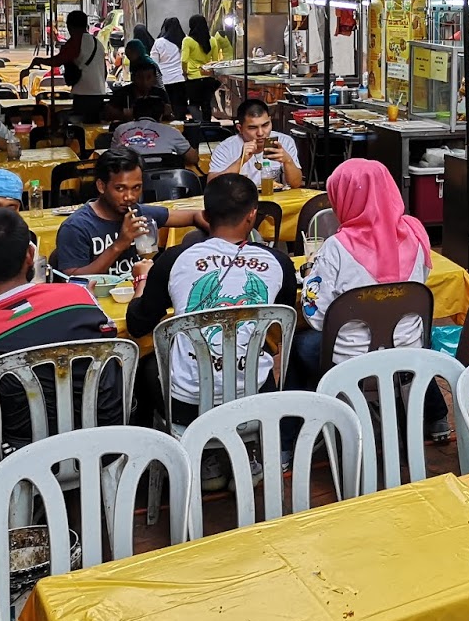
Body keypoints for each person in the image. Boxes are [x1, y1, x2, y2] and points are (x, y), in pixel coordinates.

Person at [125, 175, 295, 464]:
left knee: (149, 364)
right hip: (255, 399)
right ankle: (249, 458)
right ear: (252, 215)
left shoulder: (173, 260)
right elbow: (282, 319)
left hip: (188, 407)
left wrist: (142, 281)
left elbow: (137, 325)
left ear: (204, 216)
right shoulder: (278, 262)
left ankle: (163, 461)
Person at [0, 207, 119, 504]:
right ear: (30, 256)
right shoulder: (79, 296)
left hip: (19, 457)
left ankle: (8, 514)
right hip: (103, 440)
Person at [295, 159, 430, 375]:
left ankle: (318, 404)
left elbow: (317, 318)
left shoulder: (336, 248)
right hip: (409, 352)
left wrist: (310, 272)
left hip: (352, 363)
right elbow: (420, 283)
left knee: (301, 344)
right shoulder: (415, 233)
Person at [53, 148, 205, 278]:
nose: (130, 197)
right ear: (101, 186)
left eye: (136, 187)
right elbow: (73, 280)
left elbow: (194, 216)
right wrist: (119, 244)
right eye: (120, 188)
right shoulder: (77, 227)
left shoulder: (138, 213)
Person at [30, 10, 109, 121]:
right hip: (100, 93)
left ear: (70, 26)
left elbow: (58, 61)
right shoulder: (98, 43)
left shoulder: (76, 40)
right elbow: (105, 71)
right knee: (92, 125)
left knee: (79, 126)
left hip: (83, 94)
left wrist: (39, 60)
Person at [207, 99, 302, 189]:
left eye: (265, 125)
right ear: (240, 128)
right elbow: (212, 186)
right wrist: (240, 161)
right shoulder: (225, 148)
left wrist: (287, 161)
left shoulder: (285, 141)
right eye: (253, 127)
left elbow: (296, 184)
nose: (260, 133)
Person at [181, 15, 231, 121]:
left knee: (193, 104)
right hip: (208, 77)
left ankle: (198, 123)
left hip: (193, 77)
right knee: (206, 104)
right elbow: (215, 60)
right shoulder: (212, 40)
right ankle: (207, 125)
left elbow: (184, 60)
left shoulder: (188, 41)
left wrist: (185, 72)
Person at [111, 115, 200, 170]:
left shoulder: (120, 129)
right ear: (161, 115)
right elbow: (193, 159)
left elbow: (113, 157)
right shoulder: (171, 131)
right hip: (166, 182)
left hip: (127, 180)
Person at [107, 59, 174, 124]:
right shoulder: (122, 93)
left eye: (149, 77)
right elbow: (108, 112)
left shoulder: (160, 94)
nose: (144, 81)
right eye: (140, 77)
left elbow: (168, 111)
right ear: (133, 78)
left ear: (155, 79)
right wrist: (122, 115)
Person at [153, 17, 187, 116]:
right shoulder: (185, 39)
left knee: (168, 105)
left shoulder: (159, 42)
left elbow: (154, 62)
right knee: (180, 105)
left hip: (165, 79)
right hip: (181, 78)